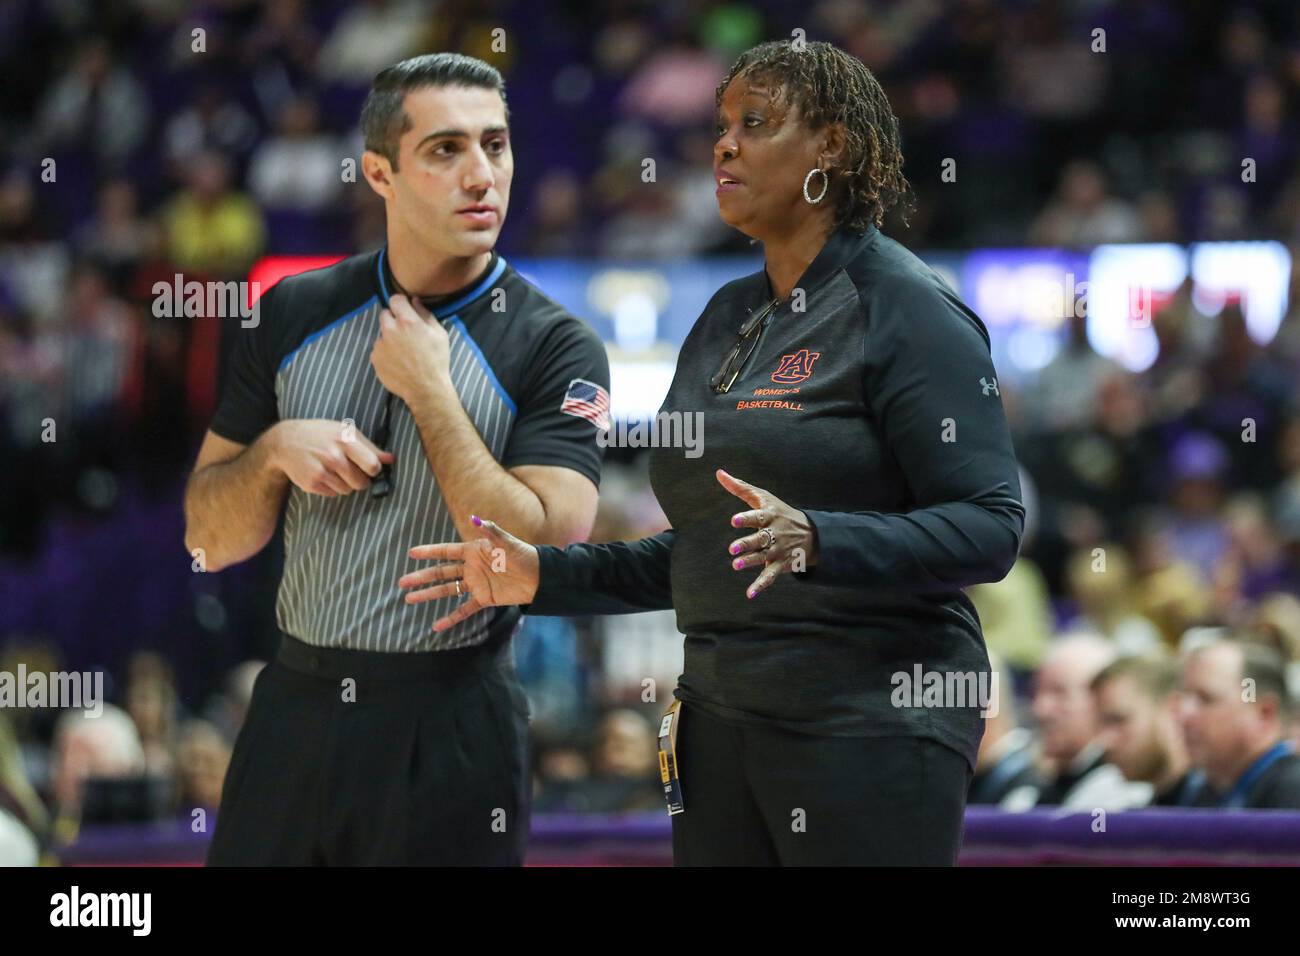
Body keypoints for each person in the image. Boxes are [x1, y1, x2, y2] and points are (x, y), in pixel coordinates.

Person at [400, 40, 1024, 865]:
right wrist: (541, 577)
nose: (724, 145)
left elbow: (991, 527)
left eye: (755, 125)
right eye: (721, 126)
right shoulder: (726, 313)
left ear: (832, 147)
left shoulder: (906, 306)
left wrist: (822, 538)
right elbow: (708, 550)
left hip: (868, 719)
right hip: (717, 719)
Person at [186, 53, 610, 865]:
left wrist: (433, 395)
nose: (482, 174)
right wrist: (273, 452)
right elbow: (208, 539)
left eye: (497, 144)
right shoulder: (293, 310)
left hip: (453, 717)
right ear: (379, 172)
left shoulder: (557, 343)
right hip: (294, 709)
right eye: (447, 149)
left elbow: (551, 550)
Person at [1028, 634, 1153, 809]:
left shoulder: (1120, 792)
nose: (1040, 709)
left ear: (1102, 700)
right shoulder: (1033, 787)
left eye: (1059, 693)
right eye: (1036, 691)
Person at [1180, 639, 1300, 809]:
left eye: (1206, 699)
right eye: (1185, 697)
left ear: (1264, 714)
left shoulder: (1292, 796)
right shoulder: (1205, 795)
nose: (1184, 714)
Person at [1092, 654, 1202, 806]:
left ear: (1173, 709)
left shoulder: (1221, 810)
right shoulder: (1143, 807)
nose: (1104, 742)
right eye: (1101, 724)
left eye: (1118, 720)